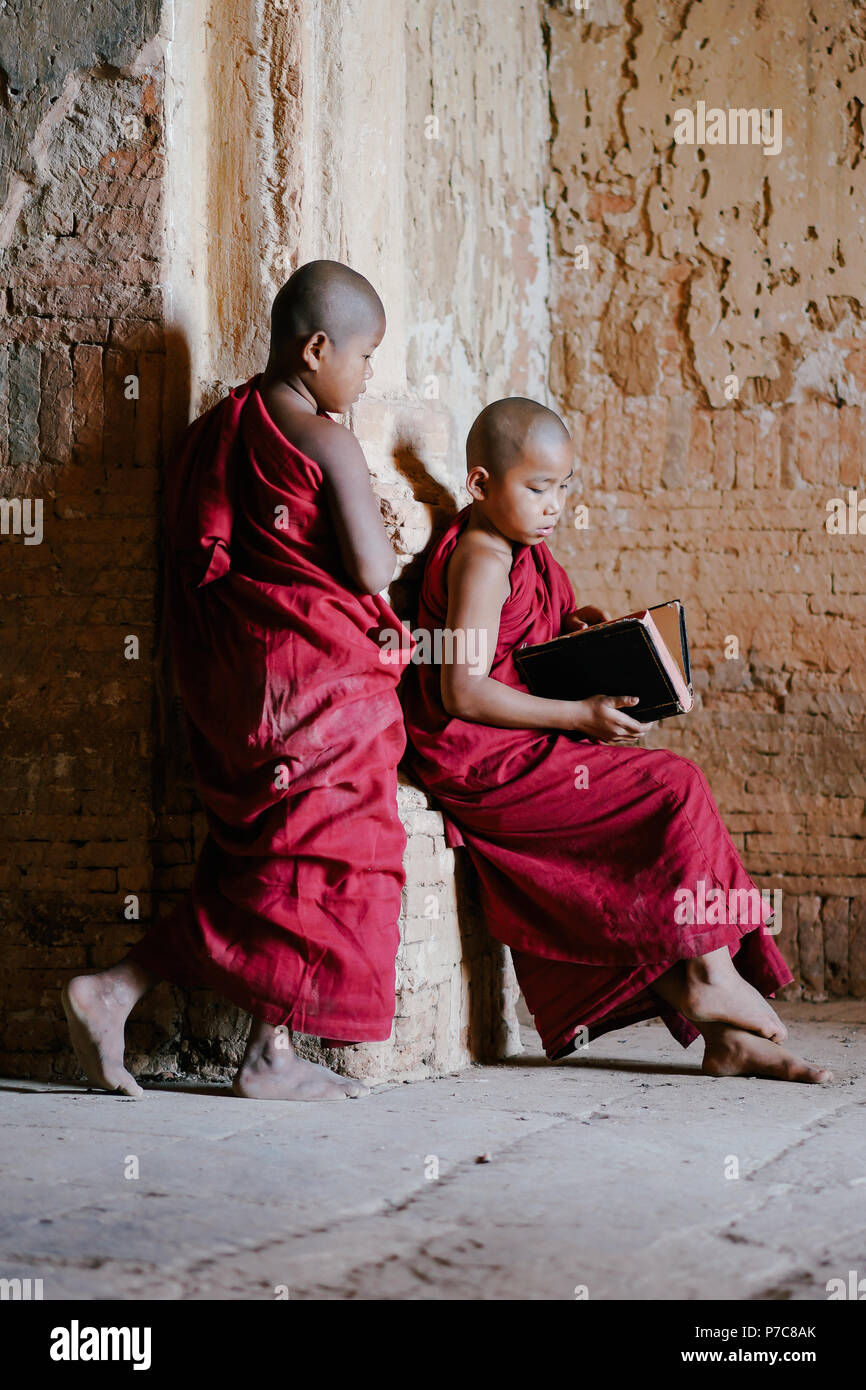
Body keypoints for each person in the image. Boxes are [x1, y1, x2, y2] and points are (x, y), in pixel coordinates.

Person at [401, 397, 832, 1084]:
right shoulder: (483, 556)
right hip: (481, 757)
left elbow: (520, 640)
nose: (554, 506)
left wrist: (575, 631)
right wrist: (579, 715)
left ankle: (724, 1038)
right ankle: (709, 974)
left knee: (643, 826)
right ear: (481, 485)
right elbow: (462, 691)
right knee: (672, 787)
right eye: (537, 488)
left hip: (517, 738)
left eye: (563, 486)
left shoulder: (518, 547)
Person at [63, 260, 410, 1101]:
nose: (366, 380)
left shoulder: (225, 427)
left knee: (270, 864)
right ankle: (234, 1041)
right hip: (318, 690)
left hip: (244, 686)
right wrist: (392, 533)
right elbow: (368, 571)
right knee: (330, 861)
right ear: (318, 348)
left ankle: (176, 1014)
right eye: (364, 360)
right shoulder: (326, 439)